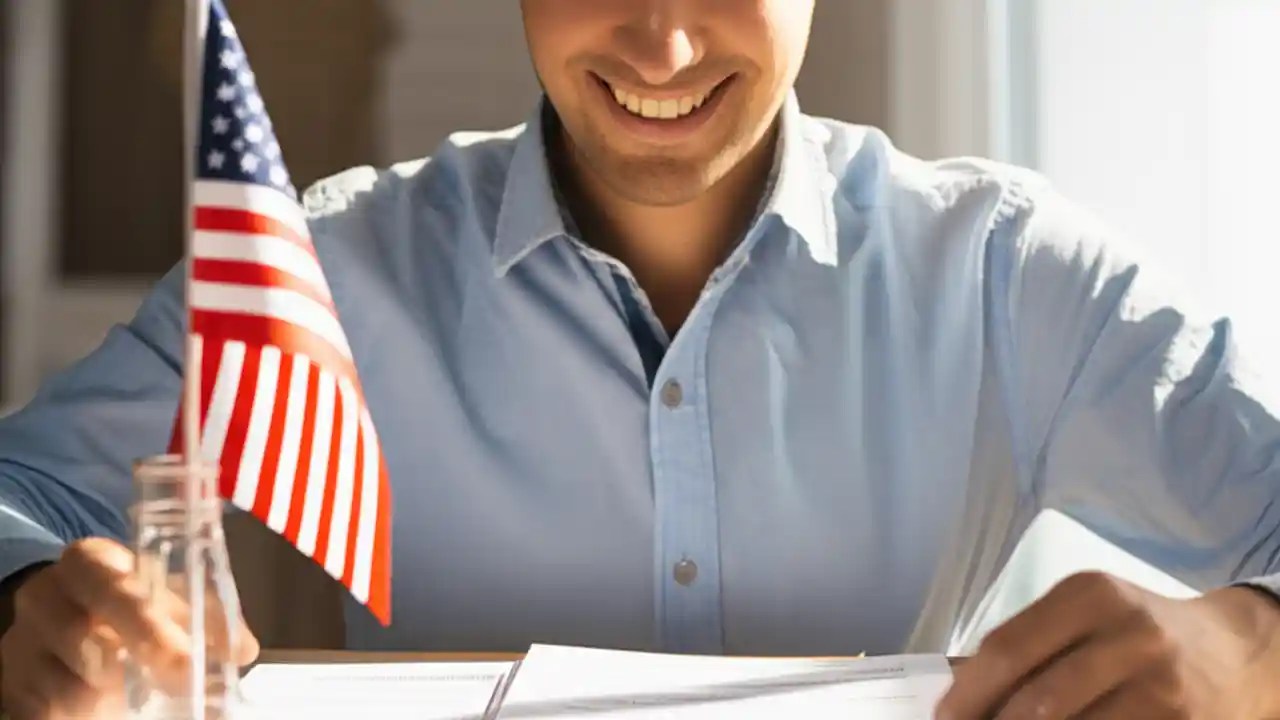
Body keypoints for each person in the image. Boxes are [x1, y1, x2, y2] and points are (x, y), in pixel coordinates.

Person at [1, 1, 1277, 717]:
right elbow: (19, 501)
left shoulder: (1006, 274)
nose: (659, 43)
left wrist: (1244, 650)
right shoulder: (329, 269)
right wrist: (28, 610)